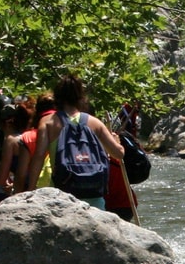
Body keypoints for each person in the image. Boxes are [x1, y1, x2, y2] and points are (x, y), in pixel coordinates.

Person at [26, 73, 124, 208]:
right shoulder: (95, 123)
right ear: (81, 96)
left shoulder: (48, 122)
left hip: (62, 195)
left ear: (57, 96)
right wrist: (117, 142)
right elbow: (118, 154)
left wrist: (31, 191)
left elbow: (38, 157)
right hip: (93, 195)